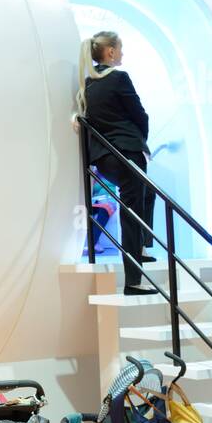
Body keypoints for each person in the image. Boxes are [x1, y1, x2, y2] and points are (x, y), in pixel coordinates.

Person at [74, 30, 157, 295]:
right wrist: (140, 142)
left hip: (105, 159)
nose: (122, 53)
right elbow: (140, 115)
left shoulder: (88, 84)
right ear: (110, 51)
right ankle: (133, 281)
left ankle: (140, 248)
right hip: (126, 152)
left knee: (148, 193)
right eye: (120, 48)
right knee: (132, 212)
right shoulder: (119, 78)